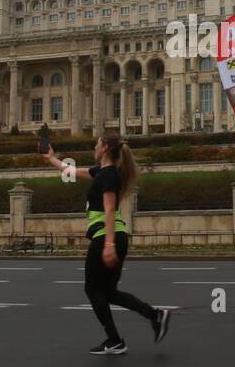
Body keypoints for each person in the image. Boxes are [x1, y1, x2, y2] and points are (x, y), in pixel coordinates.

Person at [42, 135, 170, 355]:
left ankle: (114, 339)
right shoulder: (102, 172)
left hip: (106, 236)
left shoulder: (109, 175)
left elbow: (109, 209)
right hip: (112, 235)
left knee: (92, 289)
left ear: (106, 148)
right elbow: (71, 171)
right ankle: (154, 316)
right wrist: (51, 158)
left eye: (97, 144)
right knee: (108, 292)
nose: (94, 147)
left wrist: (108, 244)